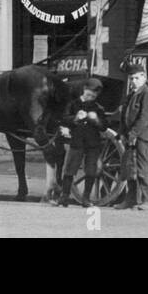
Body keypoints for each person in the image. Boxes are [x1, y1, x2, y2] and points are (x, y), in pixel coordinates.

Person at [58, 78, 108, 208]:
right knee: (70, 169)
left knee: (91, 171)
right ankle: (64, 196)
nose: (90, 98)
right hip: (77, 142)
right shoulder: (73, 104)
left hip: (92, 144)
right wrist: (75, 117)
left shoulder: (98, 108)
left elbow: (104, 126)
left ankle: (86, 198)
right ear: (84, 90)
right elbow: (63, 119)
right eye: (88, 95)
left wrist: (96, 119)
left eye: (93, 96)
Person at [114, 63, 148, 211]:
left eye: (137, 78)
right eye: (131, 78)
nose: (134, 81)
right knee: (129, 168)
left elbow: (144, 118)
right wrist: (121, 133)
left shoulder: (147, 94)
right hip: (129, 136)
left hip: (141, 136)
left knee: (142, 167)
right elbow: (124, 116)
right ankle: (130, 199)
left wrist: (134, 134)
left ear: (144, 77)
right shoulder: (131, 95)